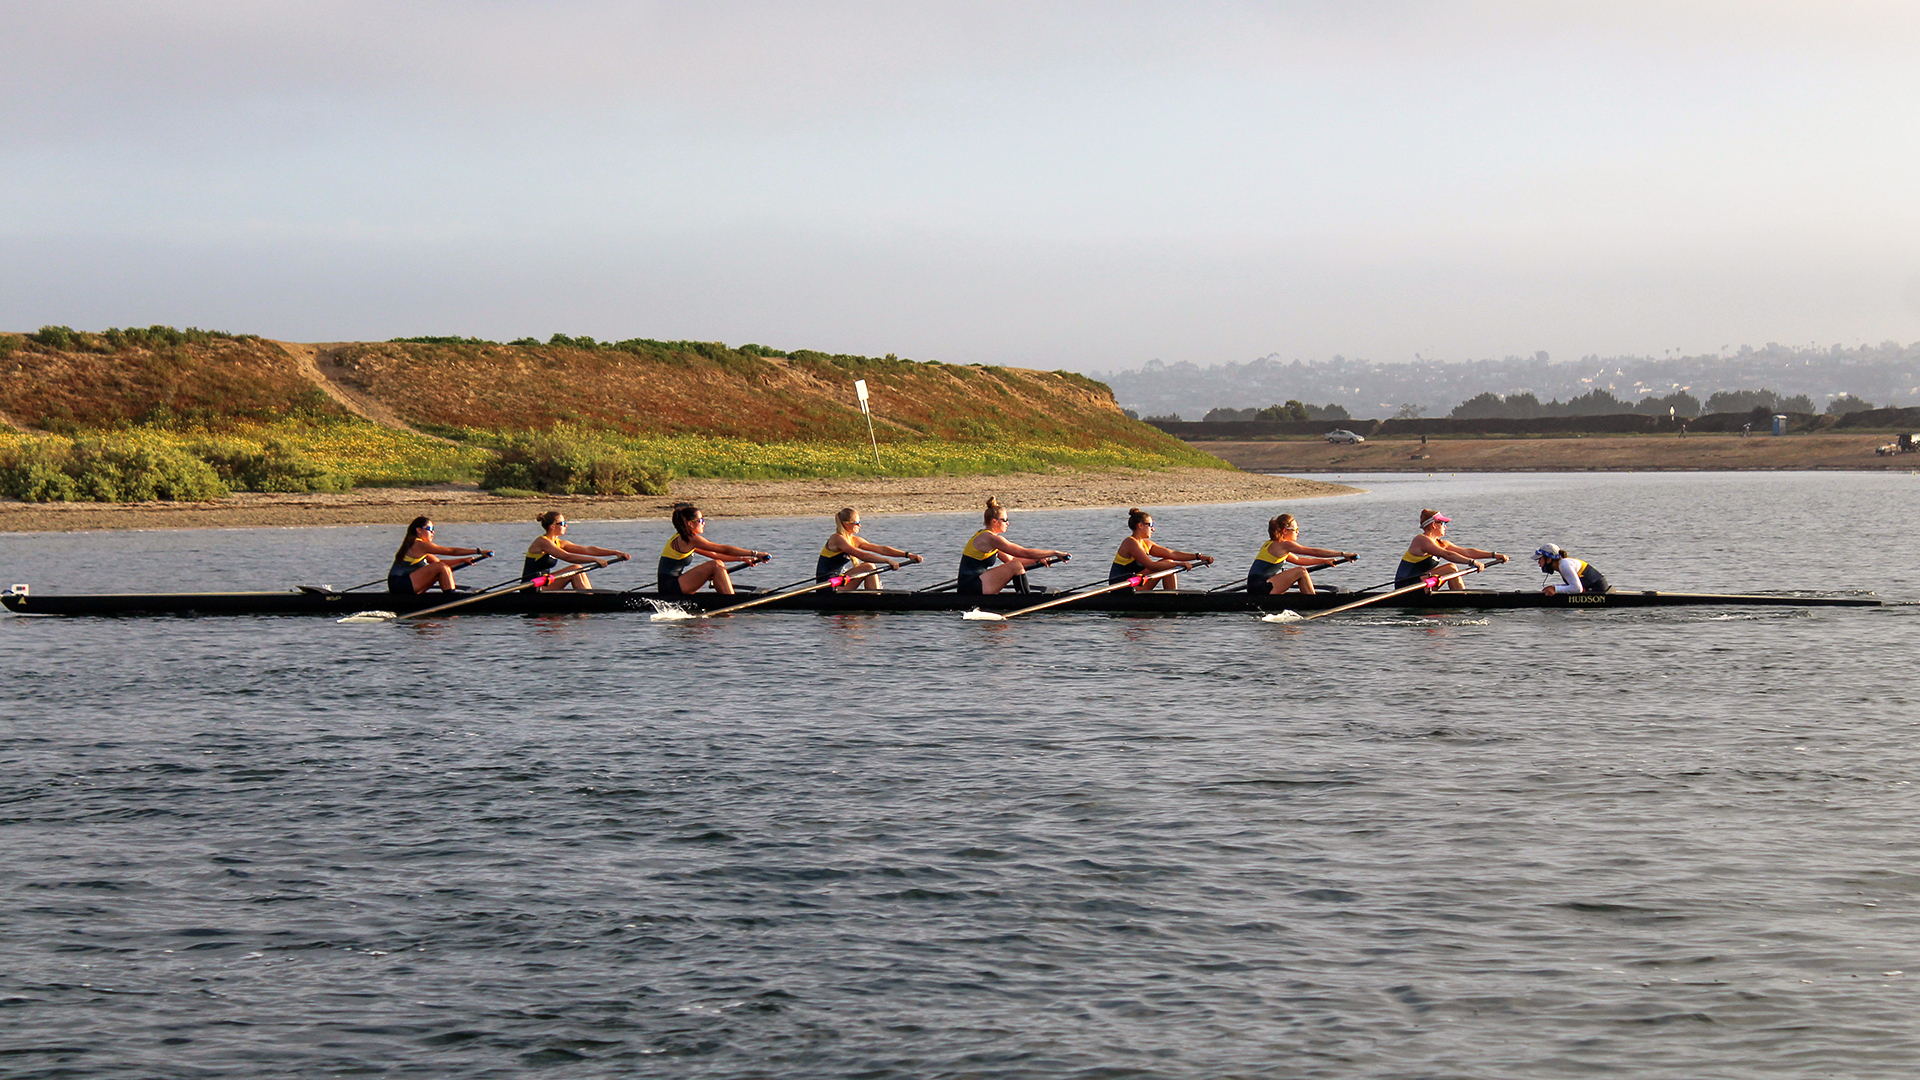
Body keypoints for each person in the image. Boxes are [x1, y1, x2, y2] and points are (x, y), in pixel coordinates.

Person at [957, 497, 1070, 596]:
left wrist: (1037, 559)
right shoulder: (989, 538)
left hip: (973, 584)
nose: (1008, 523)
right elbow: (1025, 553)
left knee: (1015, 564)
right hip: (972, 586)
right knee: (1015, 566)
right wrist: (1055, 553)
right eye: (1005, 520)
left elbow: (1011, 559)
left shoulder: (988, 538)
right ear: (994, 521)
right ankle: (1025, 599)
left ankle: (1023, 596)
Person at [659, 504, 768, 597]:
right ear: (690, 523)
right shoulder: (690, 539)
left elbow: (716, 554)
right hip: (670, 587)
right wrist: (756, 553)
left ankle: (726, 596)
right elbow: (724, 549)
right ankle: (730, 600)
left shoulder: (684, 538)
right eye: (700, 520)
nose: (704, 523)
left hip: (672, 584)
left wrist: (742, 558)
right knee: (716, 565)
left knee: (717, 563)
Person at [1395, 508, 1507, 591]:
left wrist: (1493, 555)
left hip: (1422, 583)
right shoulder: (1421, 540)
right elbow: (1447, 555)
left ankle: (1460, 595)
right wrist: (1472, 562)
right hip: (1405, 587)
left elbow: (1467, 552)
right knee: (1451, 568)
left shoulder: (1442, 543)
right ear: (1434, 525)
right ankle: (1463, 598)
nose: (1445, 526)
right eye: (1443, 523)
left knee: (1451, 569)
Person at [1247, 513, 1357, 596]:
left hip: (1254, 587)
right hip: (1261, 588)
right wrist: (1342, 554)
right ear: (1285, 531)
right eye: (1295, 529)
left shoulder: (1270, 544)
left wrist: (1324, 561)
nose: (1298, 532)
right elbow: (1313, 551)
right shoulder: (1285, 545)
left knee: (1300, 569)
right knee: (1301, 571)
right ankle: (1312, 601)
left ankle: (1308, 597)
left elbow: (1299, 559)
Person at [817, 508, 923, 591]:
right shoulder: (837, 539)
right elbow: (862, 556)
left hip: (840, 581)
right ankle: (875, 597)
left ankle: (875, 595)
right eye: (857, 522)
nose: (860, 525)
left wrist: (908, 555)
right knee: (869, 566)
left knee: (869, 566)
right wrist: (887, 561)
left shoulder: (854, 540)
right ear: (846, 524)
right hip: (827, 585)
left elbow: (882, 549)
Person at [523, 511, 629, 591]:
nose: (566, 526)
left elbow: (588, 550)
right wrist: (595, 560)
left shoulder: (560, 543)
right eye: (563, 523)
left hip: (545, 582)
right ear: (552, 527)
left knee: (578, 569)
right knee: (576, 568)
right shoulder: (542, 541)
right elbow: (567, 557)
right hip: (531, 586)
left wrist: (615, 552)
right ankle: (589, 600)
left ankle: (590, 595)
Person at [1110, 508, 1212, 591]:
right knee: (1167, 564)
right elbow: (1151, 566)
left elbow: (1173, 554)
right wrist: (1178, 564)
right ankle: (1173, 599)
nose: (1153, 529)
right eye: (1151, 525)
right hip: (1122, 587)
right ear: (1140, 525)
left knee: (1167, 561)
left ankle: (1173, 595)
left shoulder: (1146, 544)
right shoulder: (1130, 542)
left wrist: (1198, 556)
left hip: (1138, 582)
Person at [388, 517, 492, 596]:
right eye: (429, 529)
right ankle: (451, 598)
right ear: (419, 530)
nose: (433, 532)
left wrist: (462, 560)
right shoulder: (419, 544)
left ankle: (449, 596)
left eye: (433, 529)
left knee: (440, 568)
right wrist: (479, 551)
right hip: (399, 585)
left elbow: (438, 562)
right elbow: (452, 551)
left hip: (403, 585)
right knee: (441, 567)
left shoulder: (419, 547)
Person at [1534, 544, 1611, 595]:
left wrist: (1556, 589)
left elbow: (1577, 589)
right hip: (1594, 587)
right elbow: (1572, 586)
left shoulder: (1564, 565)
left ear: (1549, 559)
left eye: (1540, 559)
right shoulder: (1562, 564)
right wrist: (1554, 587)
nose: (1539, 563)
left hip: (1598, 591)